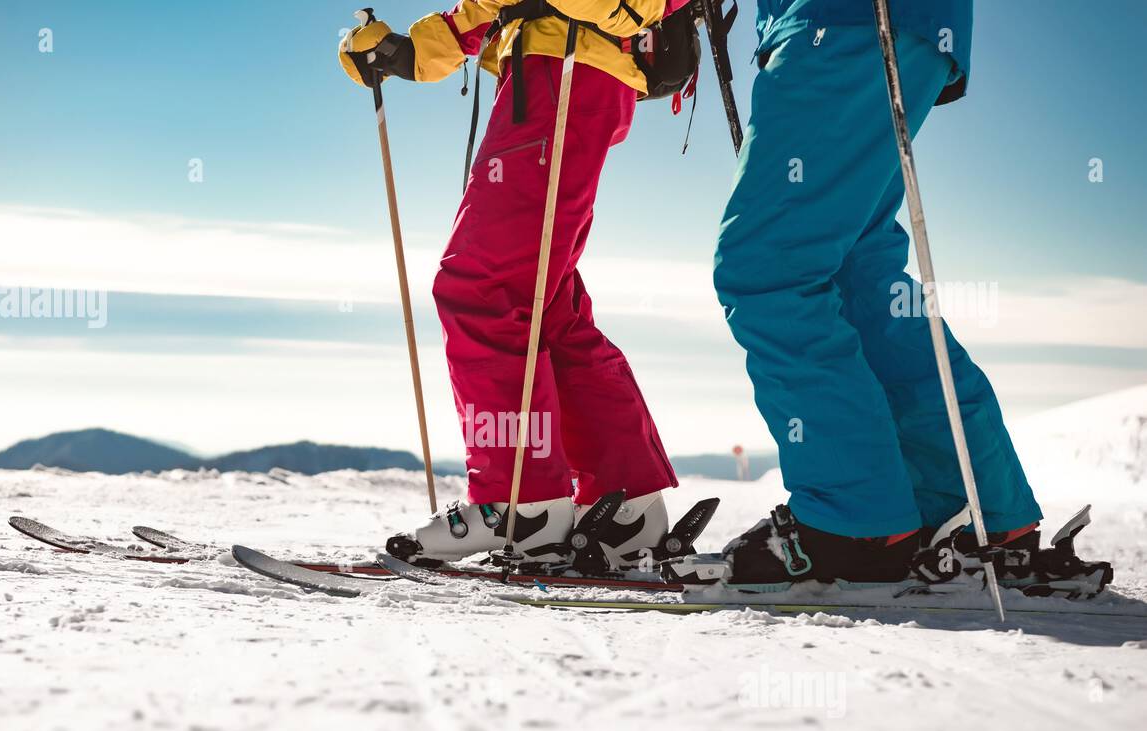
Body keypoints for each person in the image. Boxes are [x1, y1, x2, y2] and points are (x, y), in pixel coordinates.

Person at [711, 0, 1065, 586]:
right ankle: (968, 510)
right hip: (889, 25)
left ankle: (857, 524)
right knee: (856, 277)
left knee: (769, 266)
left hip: (837, 22)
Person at [339, 1, 687, 567]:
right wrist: (408, 53)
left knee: (480, 287)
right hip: (551, 70)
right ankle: (625, 508)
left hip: (567, 70)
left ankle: (522, 506)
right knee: (543, 303)